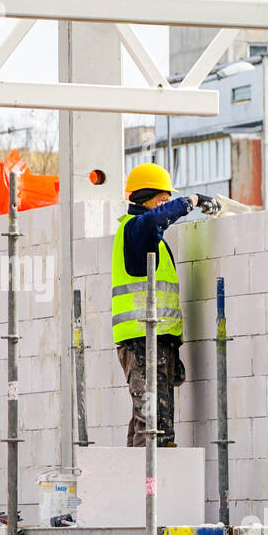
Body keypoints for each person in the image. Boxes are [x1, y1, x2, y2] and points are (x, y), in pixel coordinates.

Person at [112, 164, 215, 447]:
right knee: (154, 424)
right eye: (162, 197)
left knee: (148, 420)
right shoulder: (136, 229)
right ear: (145, 195)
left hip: (156, 340)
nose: (166, 202)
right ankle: (154, 488)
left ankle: (138, 486)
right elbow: (155, 220)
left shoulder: (148, 239)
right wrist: (191, 201)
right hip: (142, 339)